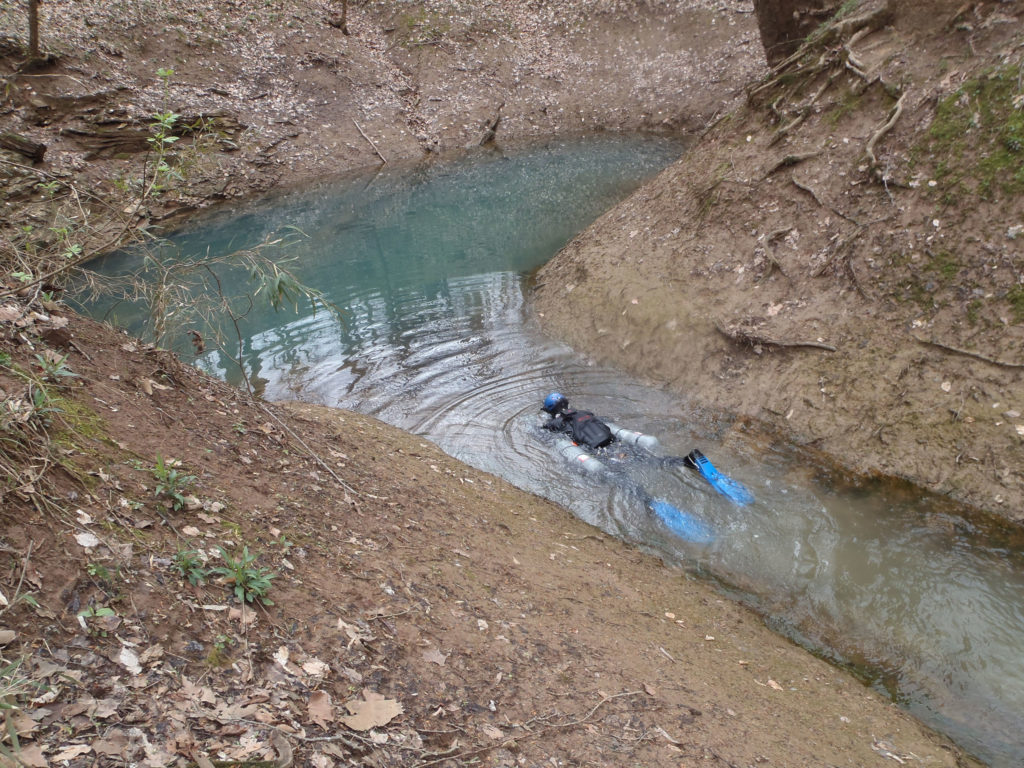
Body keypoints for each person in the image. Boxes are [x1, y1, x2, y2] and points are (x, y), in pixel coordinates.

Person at [540, 392, 753, 506]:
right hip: (619, 445)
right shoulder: (586, 412)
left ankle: (650, 502)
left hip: (603, 454)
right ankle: (690, 460)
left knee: (624, 482)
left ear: (551, 411)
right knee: (656, 462)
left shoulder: (555, 424)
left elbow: (544, 431)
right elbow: (607, 426)